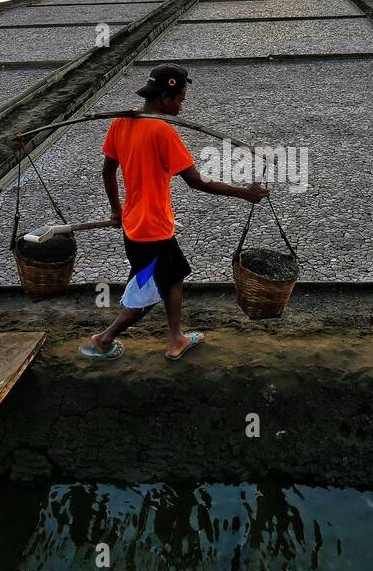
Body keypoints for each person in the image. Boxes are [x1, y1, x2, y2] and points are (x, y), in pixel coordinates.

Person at [81, 63, 268, 361]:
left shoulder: (121, 122)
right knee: (150, 289)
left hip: (134, 225)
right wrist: (245, 193)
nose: (181, 105)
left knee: (169, 279)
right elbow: (195, 181)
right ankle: (106, 338)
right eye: (180, 99)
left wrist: (117, 210)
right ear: (166, 98)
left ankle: (175, 338)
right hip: (153, 229)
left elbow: (107, 170)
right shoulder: (162, 132)